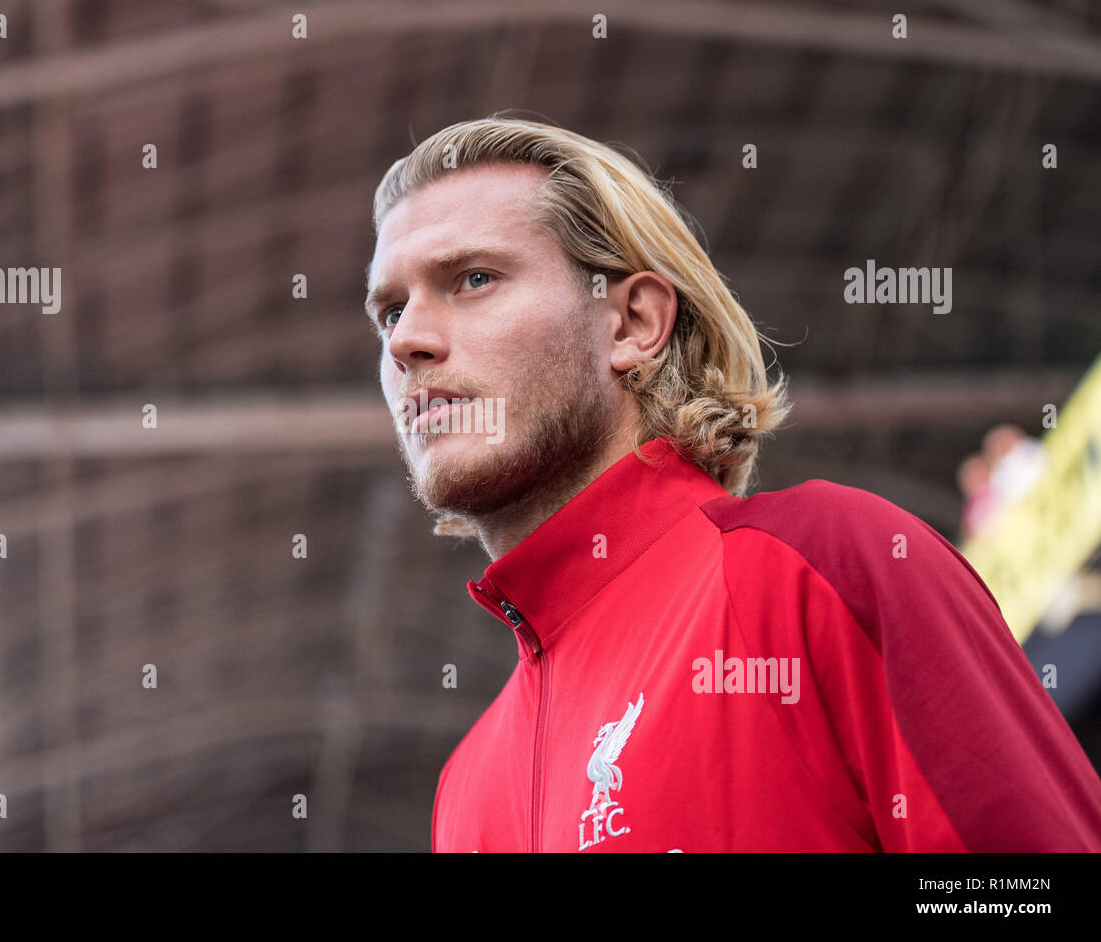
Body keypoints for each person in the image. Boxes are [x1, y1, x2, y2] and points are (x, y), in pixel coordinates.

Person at [363, 115, 1101, 852]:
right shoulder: (464, 792)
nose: (405, 341)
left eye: (474, 279)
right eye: (390, 310)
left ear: (632, 322)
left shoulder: (822, 566)